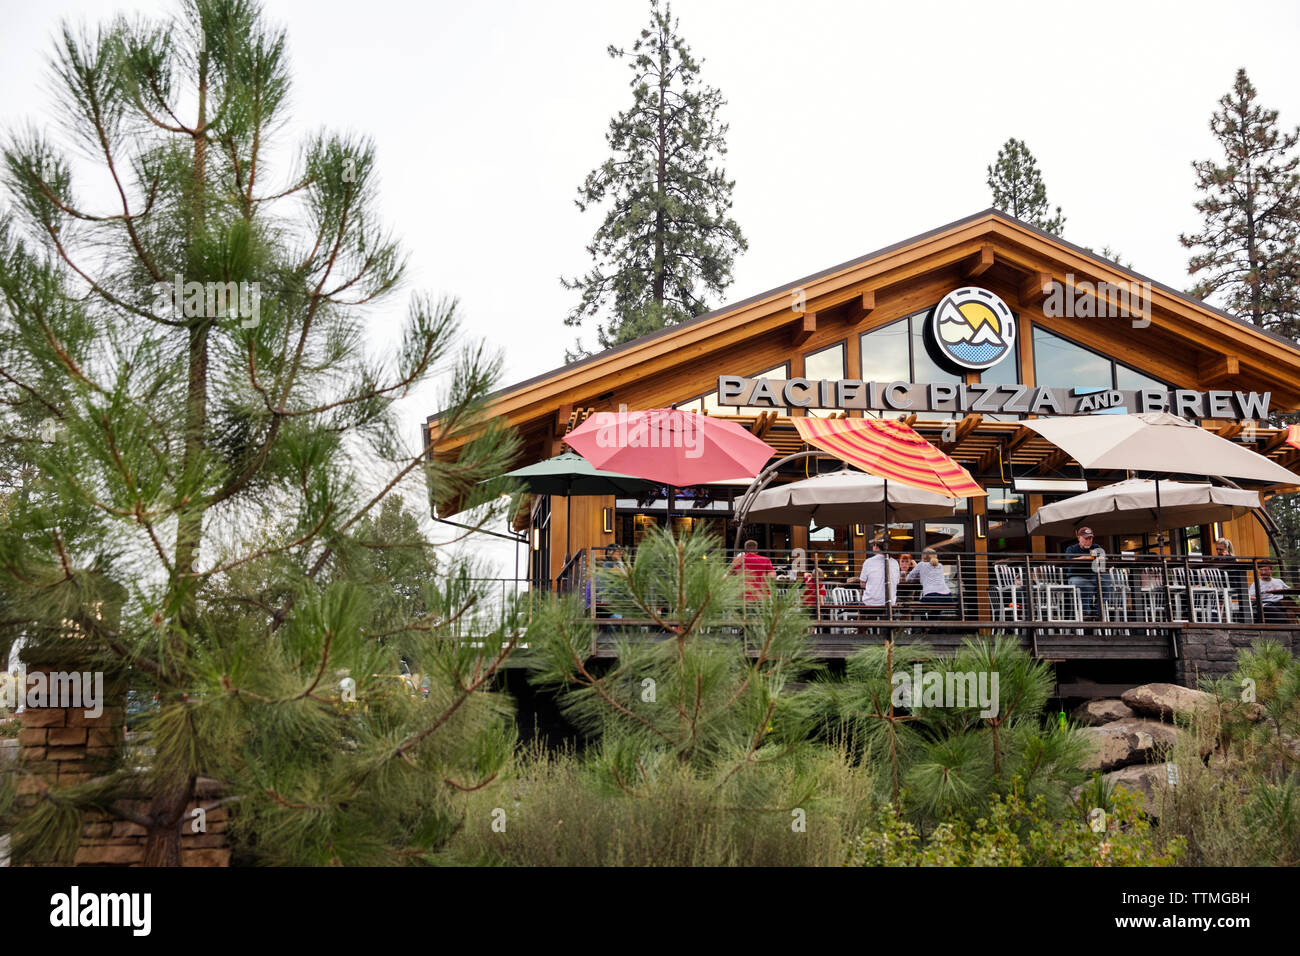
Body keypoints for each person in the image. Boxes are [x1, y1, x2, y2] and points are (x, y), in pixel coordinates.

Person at [1063, 525, 1113, 619]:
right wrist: (1088, 557)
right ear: (1079, 538)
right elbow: (1070, 561)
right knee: (1086, 586)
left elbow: (1103, 559)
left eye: (1090, 538)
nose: (1089, 541)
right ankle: (1085, 613)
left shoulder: (1095, 547)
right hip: (1075, 577)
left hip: (1093, 576)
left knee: (1106, 586)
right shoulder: (1071, 549)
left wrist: (1087, 558)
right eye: (1086, 538)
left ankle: (1096, 612)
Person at [907, 547, 955, 616]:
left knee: (916, 609)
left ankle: (920, 622)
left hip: (931, 596)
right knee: (934, 611)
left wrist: (917, 569)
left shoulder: (921, 564)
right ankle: (933, 623)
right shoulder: (940, 566)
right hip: (947, 597)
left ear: (923, 556)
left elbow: (908, 578)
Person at [858, 542, 900, 616]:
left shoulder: (868, 562)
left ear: (876, 547)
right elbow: (897, 582)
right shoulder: (895, 563)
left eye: (873, 545)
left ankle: (864, 623)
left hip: (870, 604)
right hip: (890, 605)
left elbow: (862, 584)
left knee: (860, 607)